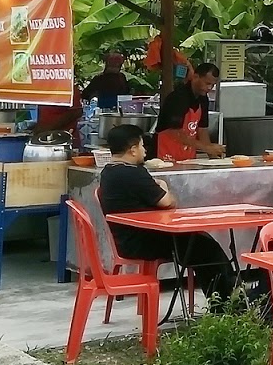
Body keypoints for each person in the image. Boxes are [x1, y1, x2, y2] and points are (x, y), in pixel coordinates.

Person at [95, 124, 235, 301]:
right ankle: (226, 302)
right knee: (206, 248)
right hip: (142, 241)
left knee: (201, 243)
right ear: (132, 150)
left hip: (129, 238)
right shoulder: (133, 174)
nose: (145, 150)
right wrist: (163, 186)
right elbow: (168, 203)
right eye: (142, 146)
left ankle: (227, 296)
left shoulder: (109, 172)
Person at [153, 63, 225, 161]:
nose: (210, 88)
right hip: (164, 154)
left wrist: (212, 155)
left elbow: (202, 129)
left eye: (213, 85)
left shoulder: (203, 99)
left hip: (187, 156)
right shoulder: (178, 97)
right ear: (195, 77)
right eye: (207, 83)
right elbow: (175, 132)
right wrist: (205, 147)